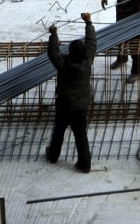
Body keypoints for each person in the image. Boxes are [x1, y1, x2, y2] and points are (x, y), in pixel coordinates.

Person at [46, 12, 96, 173]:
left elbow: (53, 53)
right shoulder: (88, 61)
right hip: (80, 106)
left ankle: (53, 156)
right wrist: (88, 23)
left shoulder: (64, 65)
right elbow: (92, 43)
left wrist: (54, 35)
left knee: (58, 132)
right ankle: (85, 164)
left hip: (64, 106)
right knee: (81, 135)